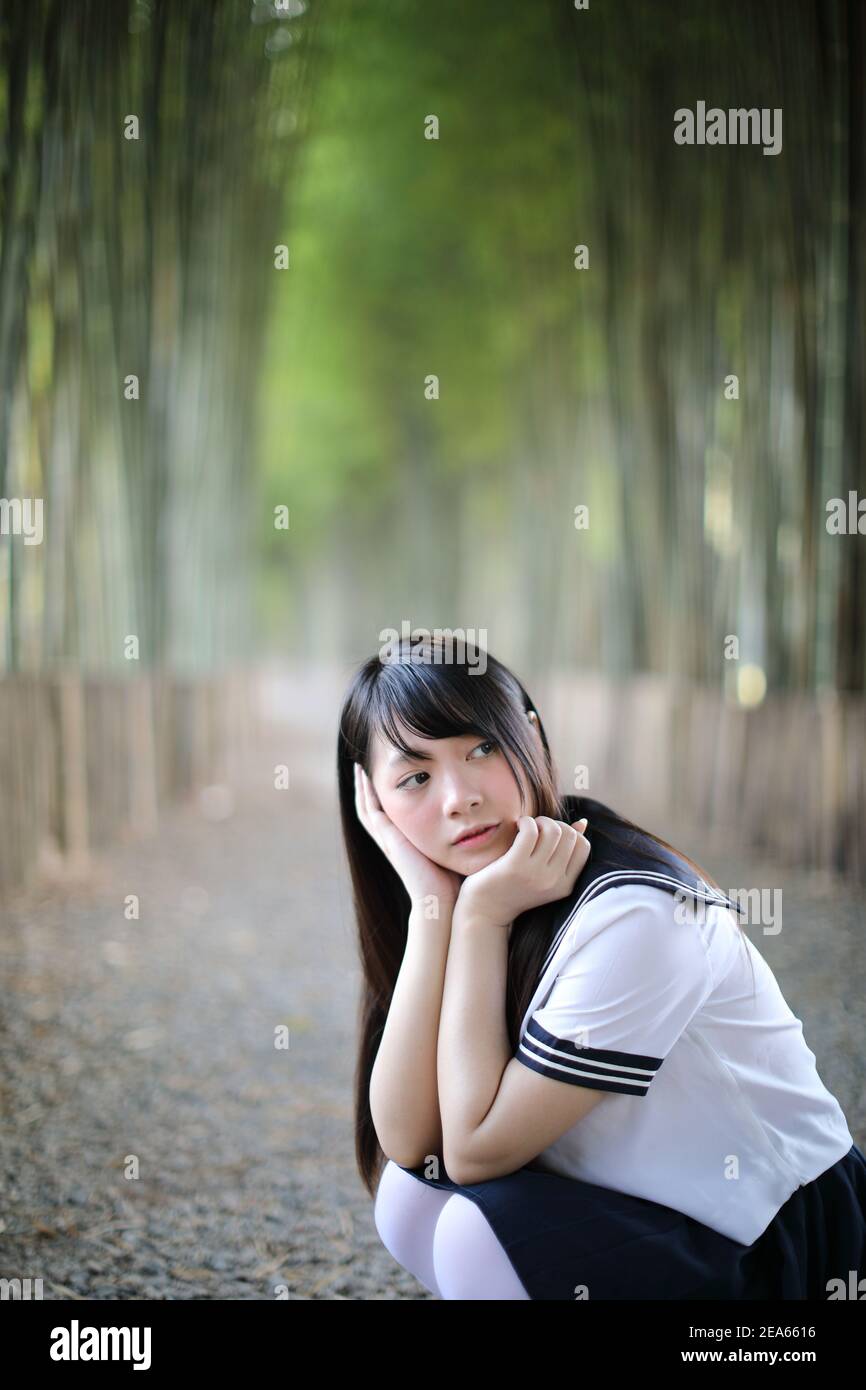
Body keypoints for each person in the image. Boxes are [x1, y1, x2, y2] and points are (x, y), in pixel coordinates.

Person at [336, 635, 866, 1300]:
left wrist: (478, 919)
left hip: (780, 1242)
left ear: (531, 734)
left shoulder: (637, 916)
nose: (458, 798)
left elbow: (472, 1151)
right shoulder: (488, 886)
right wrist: (432, 908)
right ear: (377, 807)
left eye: (482, 748)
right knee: (410, 1199)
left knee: (473, 1231)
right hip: (663, 1208)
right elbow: (413, 1142)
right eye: (415, 778)